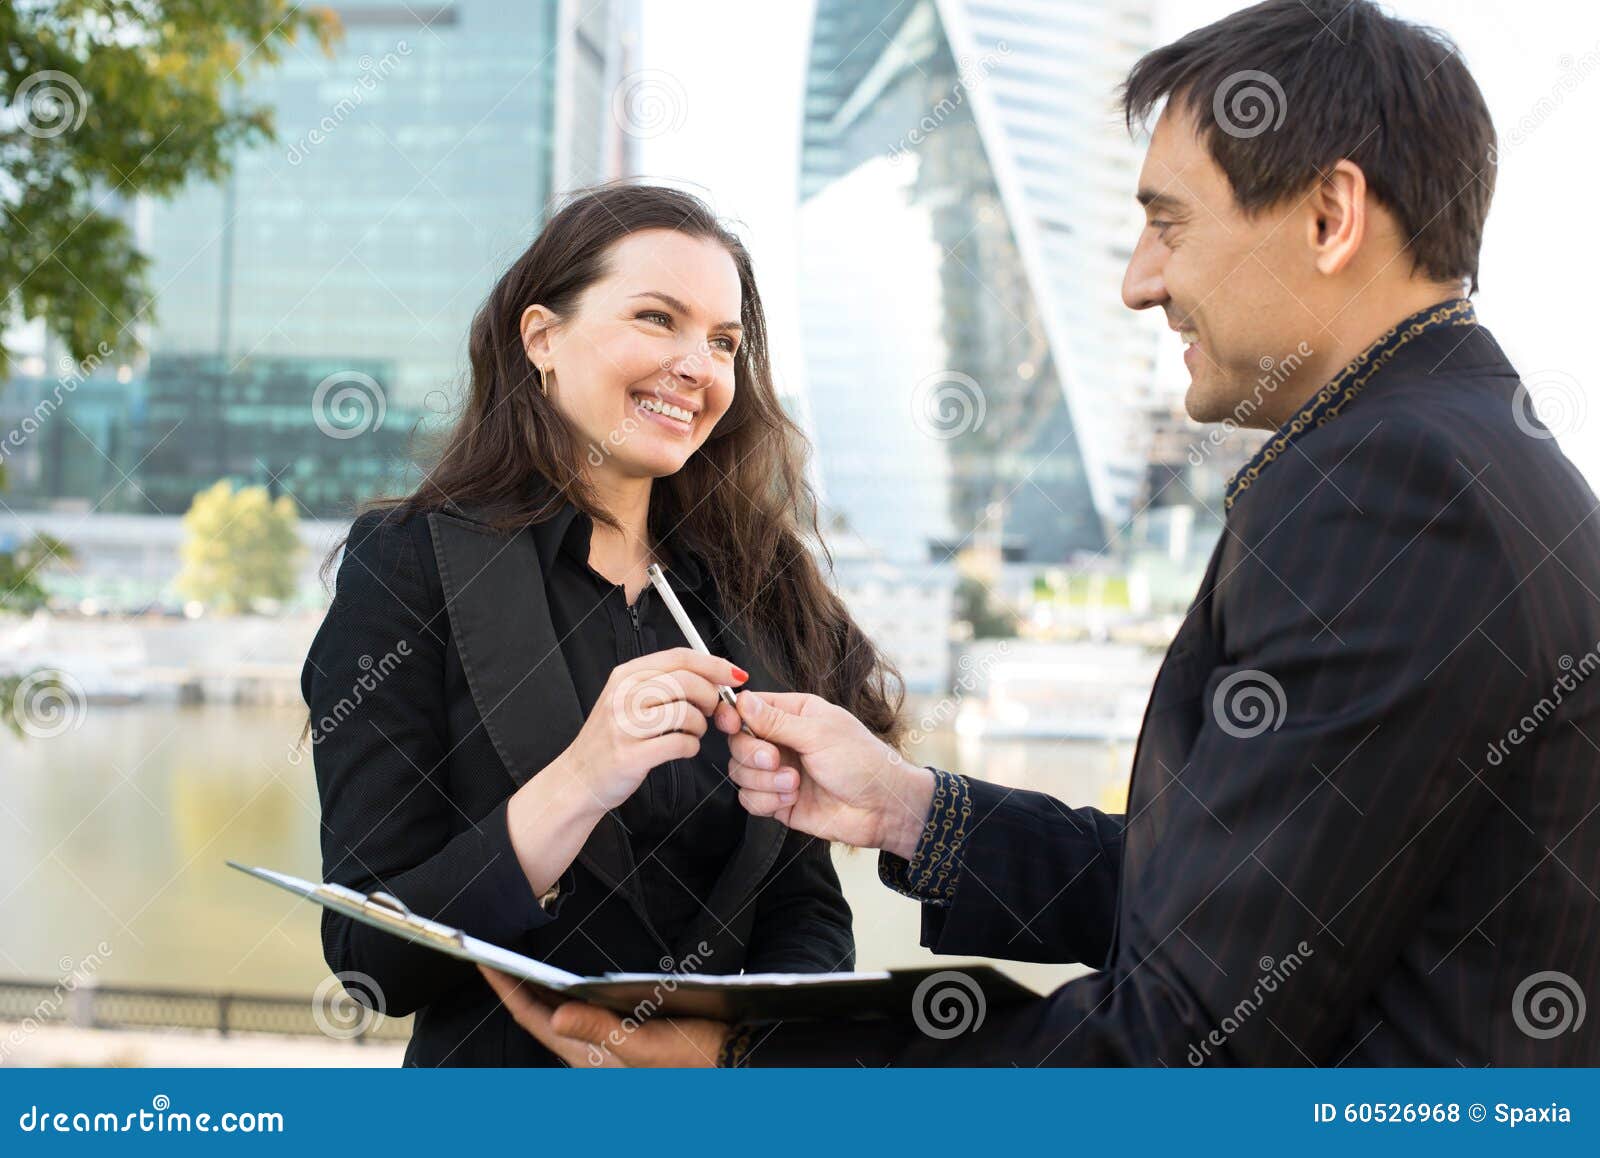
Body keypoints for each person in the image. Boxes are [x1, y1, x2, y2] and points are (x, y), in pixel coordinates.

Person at [481, 0, 1600, 1065]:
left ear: (1328, 217)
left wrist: (759, 1061)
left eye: (1167, 223)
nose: (1137, 282)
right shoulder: (1465, 453)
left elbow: (1185, 1041)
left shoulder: (1389, 493)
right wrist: (910, 810)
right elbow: (1237, 907)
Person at [304, 183, 906, 1066]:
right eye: (657, 318)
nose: (698, 366)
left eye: (724, 341)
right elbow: (371, 959)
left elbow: (803, 908)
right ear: (542, 338)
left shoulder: (758, 581)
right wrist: (580, 781)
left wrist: (745, 1057)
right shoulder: (410, 565)